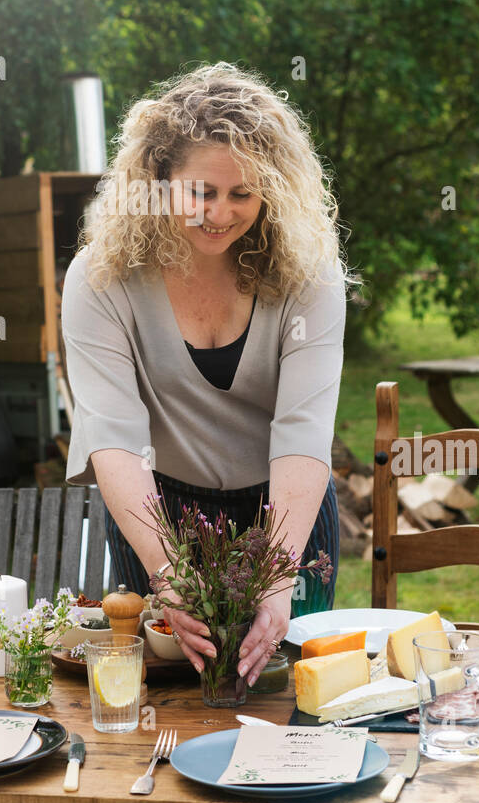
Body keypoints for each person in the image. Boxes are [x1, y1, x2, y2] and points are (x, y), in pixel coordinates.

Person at [61, 61, 354, 689]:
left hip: (287, 515)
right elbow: (111, 437)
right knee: (169, 701)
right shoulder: (100, 279)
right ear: (157, 179)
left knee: (286, 698)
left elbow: (304, 434)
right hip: (158, 515)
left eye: (242, 194)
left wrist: (277, 580)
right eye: (200, 192)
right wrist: (169, 575)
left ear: (272, 191)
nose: (219, 214)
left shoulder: (311, 275)